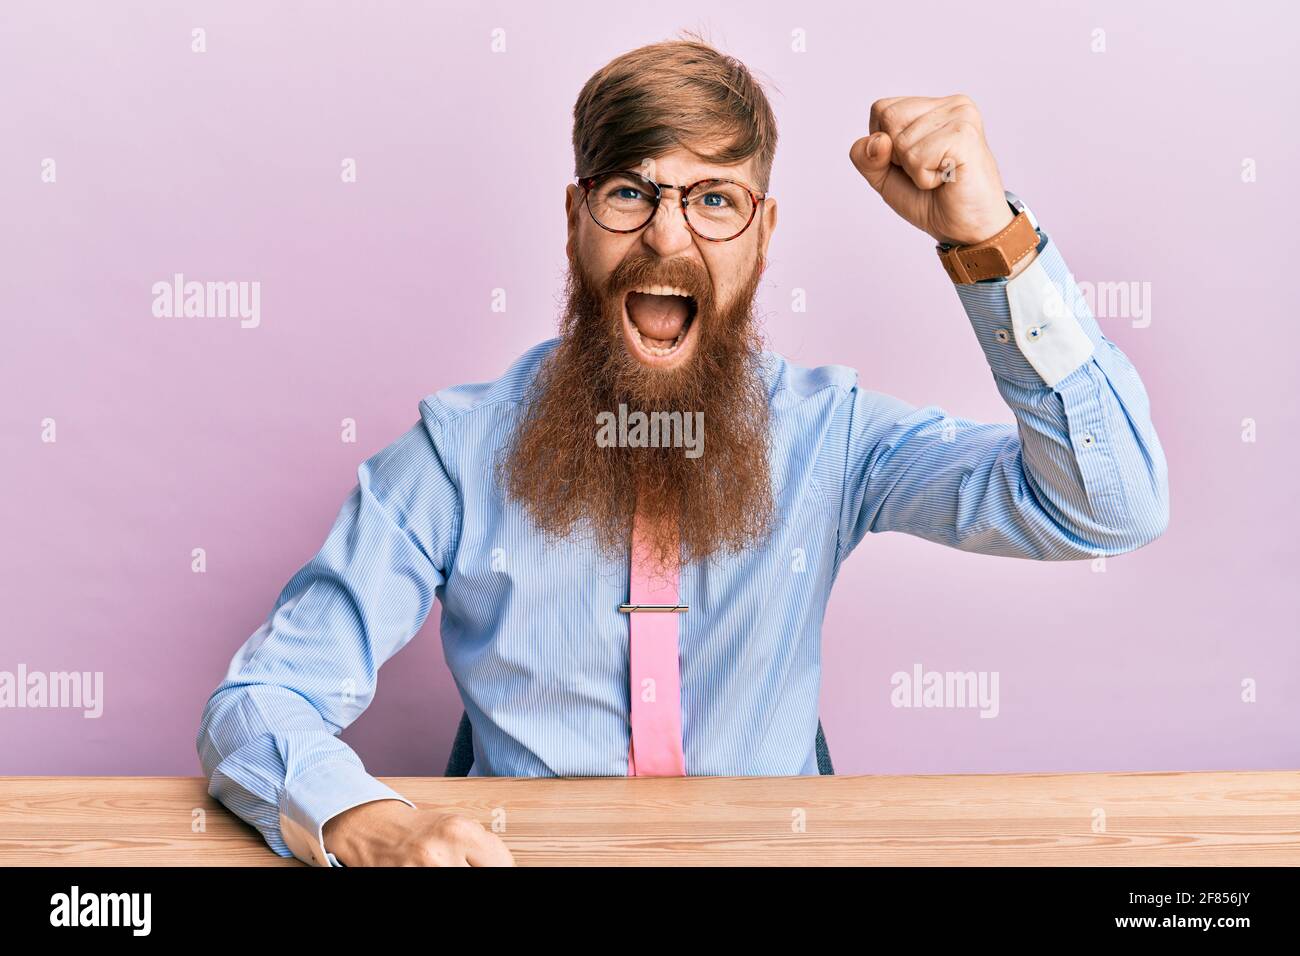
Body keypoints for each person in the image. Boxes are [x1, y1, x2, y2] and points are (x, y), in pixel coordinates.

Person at [197, 37, 1169, 867]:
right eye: (631, 192)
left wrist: (990, 243)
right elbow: (261, 697)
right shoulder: (454, 451)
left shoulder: (832, 434)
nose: (667, 236)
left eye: (714, 199)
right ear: (577, 220)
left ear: (763, 233)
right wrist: (367, 821)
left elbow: (1104, 505)